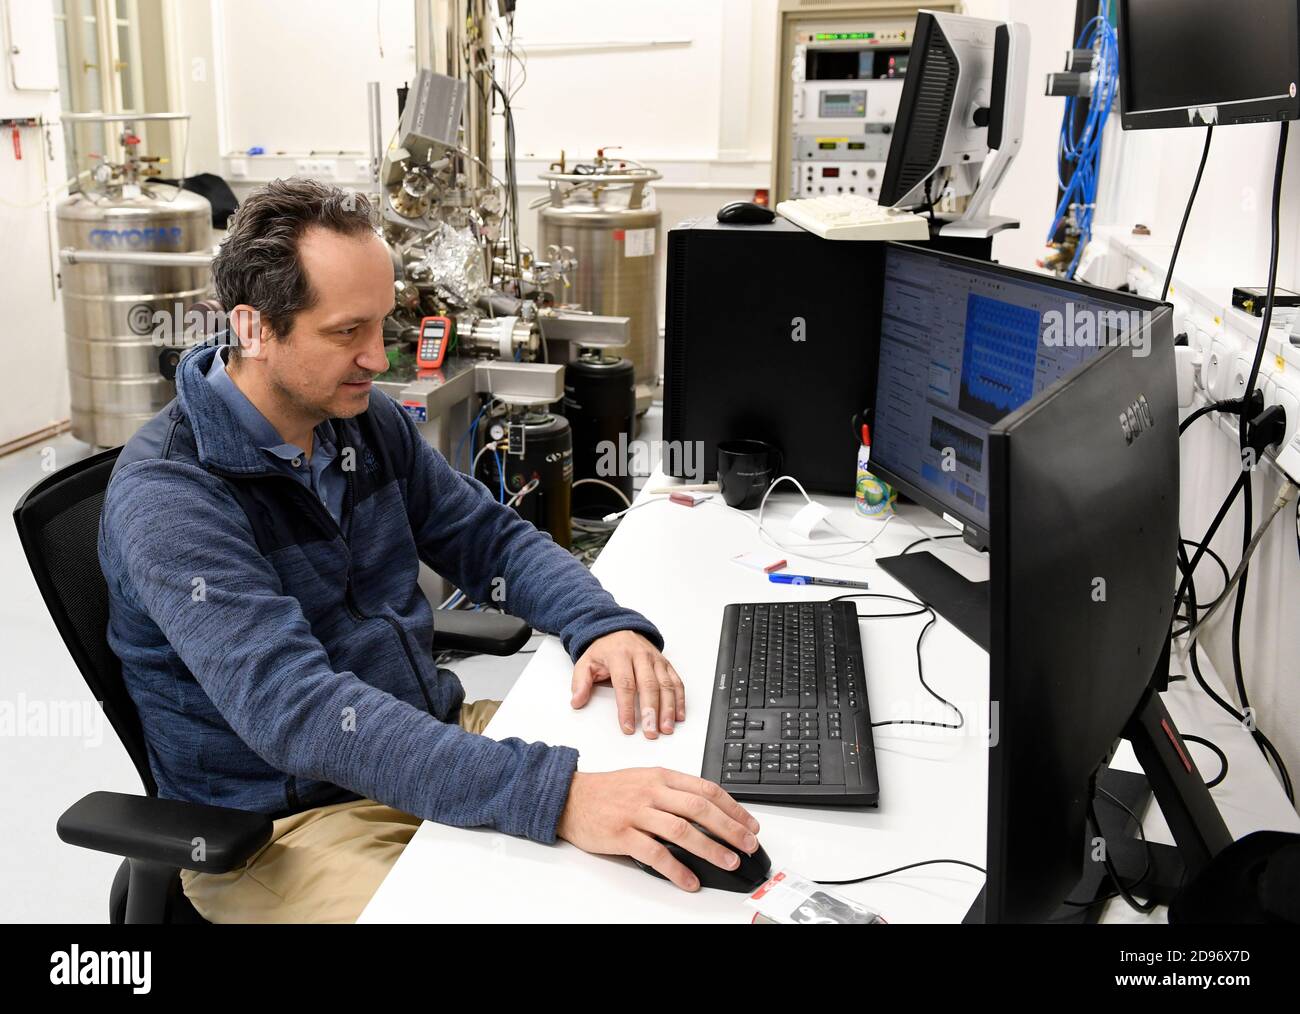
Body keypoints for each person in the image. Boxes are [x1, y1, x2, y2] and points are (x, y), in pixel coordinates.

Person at [99, 178, 760, 922]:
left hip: (430, 737)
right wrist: (558, 795)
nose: (378, 359)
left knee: (673, 794)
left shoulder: (358, 420)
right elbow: (300, 712)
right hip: (289, 824)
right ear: (253, 328)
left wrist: (598, 621)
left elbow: (485, 535)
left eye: (383, 326)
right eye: (347, 332)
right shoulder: (171, 497)